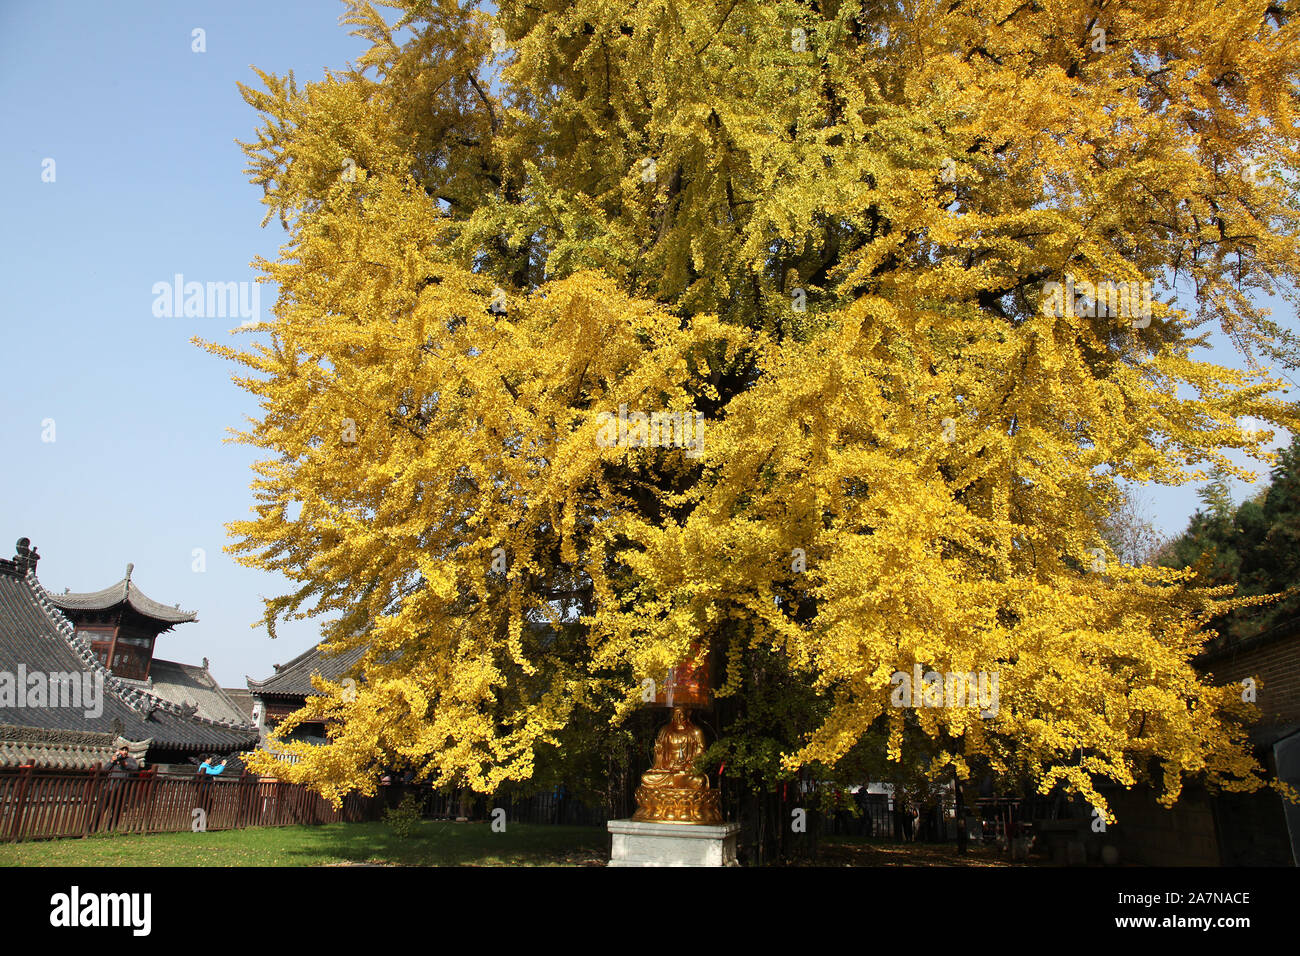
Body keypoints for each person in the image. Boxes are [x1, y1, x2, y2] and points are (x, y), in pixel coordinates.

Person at [98, 745, 139, 832]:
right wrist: (112, 761)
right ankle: (93, 828)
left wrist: (125, 764)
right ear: (118, 750)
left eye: (126, 750)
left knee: (117, 809)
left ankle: (111, 829)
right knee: (101, 809)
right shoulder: (114, 760)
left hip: (121, 789)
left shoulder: (130, 760)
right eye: (122, 750)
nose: (124, 752)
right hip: (109, 788)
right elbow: (105, 769)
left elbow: (135, 768)